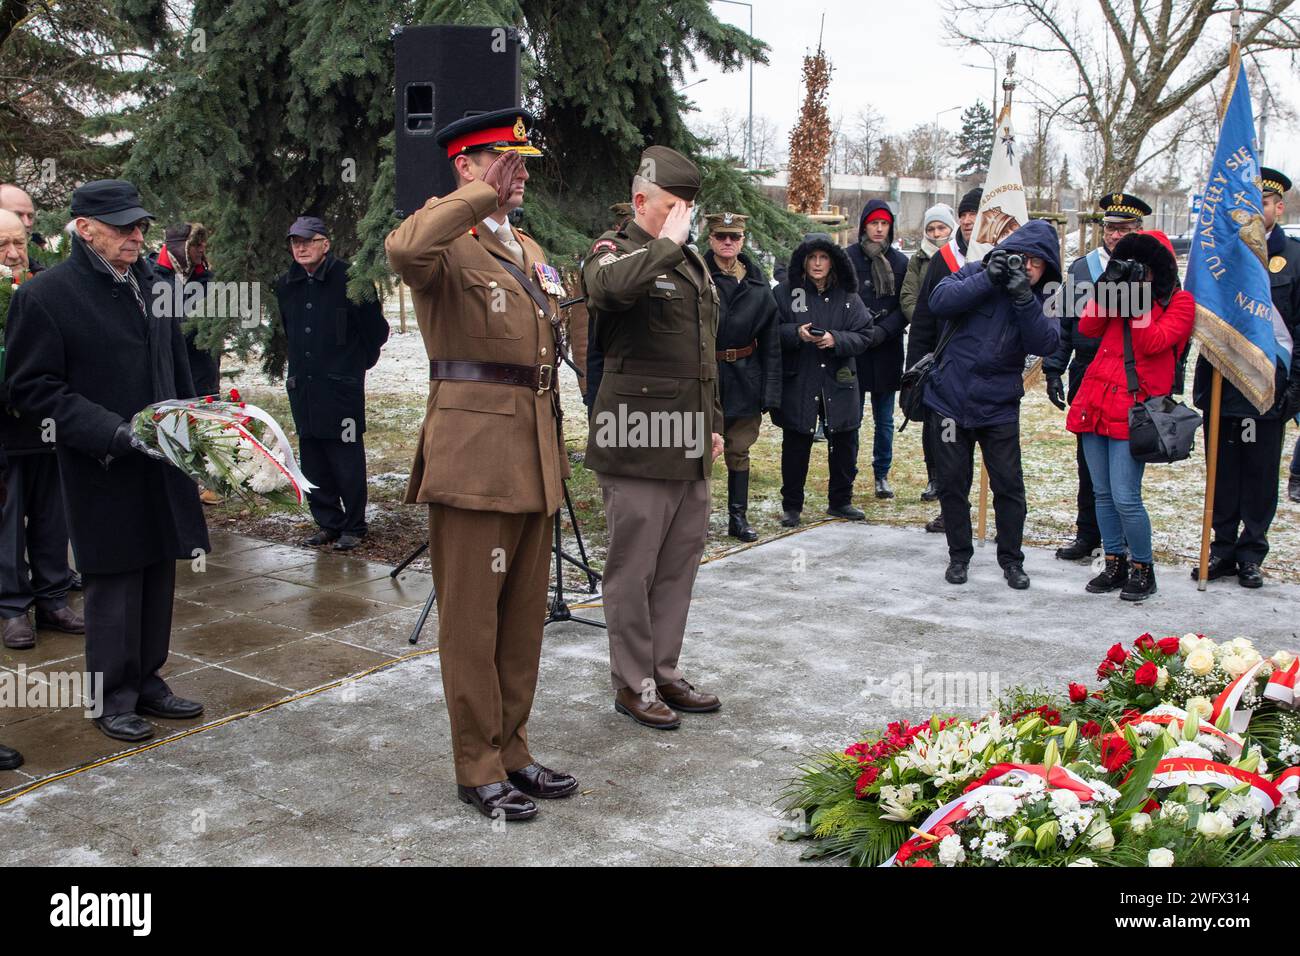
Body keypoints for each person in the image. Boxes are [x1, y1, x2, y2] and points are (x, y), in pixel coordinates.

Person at [386, 108, 576, 821]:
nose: (520, 174)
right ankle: (477, 765)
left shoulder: (523, 246)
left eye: (522, 164)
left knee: (523, 620)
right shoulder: (444, 238)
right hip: (473, 461)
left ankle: (515, 751)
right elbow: (402, 252)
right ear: (466, 165)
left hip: (532, 454)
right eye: (506, 162)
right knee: (472, 624)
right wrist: (474, 197)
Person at [6, 179, 209, 742]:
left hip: (162, 455)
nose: (134, 236)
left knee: (157, 568)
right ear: (85, 228)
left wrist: (195, 428)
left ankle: (147, 680)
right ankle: (110, 695)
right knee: (115, 578)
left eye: (140, 226)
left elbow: (177, 365)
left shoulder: (156, 282)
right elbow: (33, 387)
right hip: (103, 460)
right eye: (122, 227)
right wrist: (113, 433)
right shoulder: (46, 296)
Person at [584, 145, 724, 731]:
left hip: (688, 436)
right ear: (641, 201)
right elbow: (609, 293)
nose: (682, 220)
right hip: (636, 436)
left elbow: (701, 354)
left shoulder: (690, 262)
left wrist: (713, 420)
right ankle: (633, 683)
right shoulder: (613, 252)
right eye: (672, 208)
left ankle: (664, 671)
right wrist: (666, 243)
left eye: (687, 210)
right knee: (632, 569)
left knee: (677, 566)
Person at [924, 218, 1062, 589]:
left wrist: (1022, 298)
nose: (1028, 267)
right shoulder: (976, 271)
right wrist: (989, 278)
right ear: (1008, 254)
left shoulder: (1045, 297)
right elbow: (938, 301)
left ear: (1047, 266)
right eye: (1023, 258)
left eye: (1037, 262)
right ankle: (959, 556)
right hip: (949, 400)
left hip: (998, 406)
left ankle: (1011, 561)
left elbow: (1046, 342)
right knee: (952, 484)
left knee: (1009, 487)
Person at [1067, 231, 1193, 600]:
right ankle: (1114, 563)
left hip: (1134, 409)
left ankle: (1143, 568)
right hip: (1096, 401)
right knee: (1102, 494)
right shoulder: (1121, 294)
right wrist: (1109, 289)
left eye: (1145, 268)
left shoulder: (1180, 303)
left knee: (1125, 496)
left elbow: (1151, 342)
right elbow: (1087, 327)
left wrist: (1138, 299)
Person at [1193, 166, 1300, 588]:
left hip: (1268, 387)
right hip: (1223, 383)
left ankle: (1251, 551)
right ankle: (1220, 549)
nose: (1257, 211)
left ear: (1277, 207)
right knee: (1222, 468)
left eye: (1265, 203)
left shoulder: (1293, 258)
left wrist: (1294, 392)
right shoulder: (1223, 255)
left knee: (1258, 472)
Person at [1044, 191, 1151, 562]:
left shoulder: (1153, 268)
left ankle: (1123, 543)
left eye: (1123, 229)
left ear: (1138, 230)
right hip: (1087, 372)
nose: (1115, 235)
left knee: (1122, 470)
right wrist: (1054, 369)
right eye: (1110, 228)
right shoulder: (1082, 268)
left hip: (1130, 375)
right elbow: (1065, 322)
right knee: (1088, 465)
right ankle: (1088, 533)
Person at [274, 215, 389, 552]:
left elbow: (376, 332)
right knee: (312, 456)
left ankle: (354, 525)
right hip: (304, 387)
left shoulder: (351, 280)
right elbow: (288, 329)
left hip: (341, 388)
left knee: (345, 457)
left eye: (308, 240)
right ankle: (328, 522)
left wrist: (353, 365)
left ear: (325, 243)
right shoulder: (286, 284)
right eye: (296, 241)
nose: (301, 247)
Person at [0, 210, 82, 650]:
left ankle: (52, 598)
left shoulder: (43, 285)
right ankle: (13, 607)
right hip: (4, 436)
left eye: (20, 242)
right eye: (2, 246)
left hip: (47, 426)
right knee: (7, 522)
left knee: (53, 517)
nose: (14, 254)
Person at [772, 233, 873, 525]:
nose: (817, 264)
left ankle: (841, 501)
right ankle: (791, 506)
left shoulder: (848, 296)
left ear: (833, 261)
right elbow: (770, 332)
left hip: (838, 380)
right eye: (812, 257)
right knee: (795, 443)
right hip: (800, 378)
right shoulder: (784, 292)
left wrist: (835, 339)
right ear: (803, 260)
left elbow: (866, 335)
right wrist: (795, 333)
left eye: (823, 257)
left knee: (844, 441)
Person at [703, 211, 780, 541]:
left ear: (743, 241)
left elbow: (772, 343)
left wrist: (770, 391)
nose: (728, 242)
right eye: (721, 236)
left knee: (740, 450)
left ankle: (738, 517)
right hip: (705, 376)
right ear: (710, 240)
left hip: (746, 377)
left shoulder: (759, 285)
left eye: (734, 237)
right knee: (697, 450)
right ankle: (694, 521)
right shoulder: (696, 275)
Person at [906, 187, 980, 528]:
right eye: (963, 213)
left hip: (990, 378)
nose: (967, 220)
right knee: (951, 450)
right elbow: (923, 319)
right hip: (948, 375)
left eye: (975, 213)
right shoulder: (944, 260)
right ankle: (952, 514)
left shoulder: (1008, 257)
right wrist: (916, 367)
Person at [847, 200, 910, 499]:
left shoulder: (899, 262)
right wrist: (858, 329)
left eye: (884, 224)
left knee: (884, 419)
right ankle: (847, 472)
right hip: (855, 349)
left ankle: (881, 474)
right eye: (874, 223)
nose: (879, 229)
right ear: (864, 226)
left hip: (886, 347)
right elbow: (841, 298)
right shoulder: (848, 258)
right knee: (851, 416)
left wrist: (885, 330)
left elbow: (904, 305)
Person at [580, 202, 636, 410]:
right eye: (628, 226)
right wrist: (591, 394)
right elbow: (592, 345)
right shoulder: (605, 257)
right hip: (611, 373)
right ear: (617, 228)